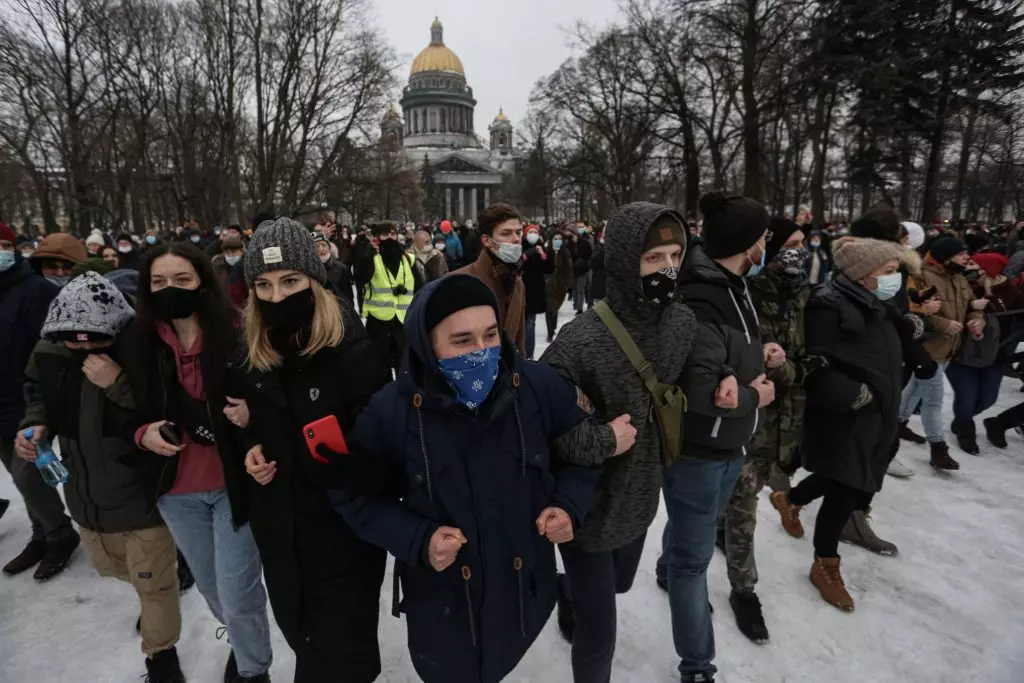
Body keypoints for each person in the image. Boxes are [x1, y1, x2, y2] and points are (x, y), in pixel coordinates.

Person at [333, 274, 615, 683]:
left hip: (523, 598)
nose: (482, 352)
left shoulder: (535, 387)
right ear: (428, 344)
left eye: (490, 335)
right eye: (462, 341)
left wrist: (568, 503)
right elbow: (353, 497)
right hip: (444, 613)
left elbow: (582, 452)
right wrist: (417, 539)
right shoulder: (391, 413)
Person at [541, 203, 694, 683]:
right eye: (654, 258)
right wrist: (604, 440)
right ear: (627, 260)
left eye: (675, 255)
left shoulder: (681, 324)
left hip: (640, 497)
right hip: (585, 508)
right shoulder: (579, 340)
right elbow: (539, 426)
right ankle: (578, 600)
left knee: (622, 584)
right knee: (598, 634)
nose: (667, 268)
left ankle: (569, 592)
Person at [239, 218, 391, 682]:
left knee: (341, 654)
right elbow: (252, 424)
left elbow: (385, 451)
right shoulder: (253, 350)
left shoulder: (355, 352)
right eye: (262, 285)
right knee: (302, 633)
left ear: (315, 281)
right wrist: (251, 450)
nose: (276, 296)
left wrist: (351, 464)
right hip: (281, 529)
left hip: (341, 528)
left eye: (290, 281)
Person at [17, 272, 186, 683]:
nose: (85, 347)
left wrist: (117, 384)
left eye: (95, 338)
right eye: (74, 340)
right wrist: (36, 426)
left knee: (154, 586)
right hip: (86, 497)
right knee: (115, 569)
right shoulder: (53, 354)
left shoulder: (141, 352)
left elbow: (164, 414)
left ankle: (162, 656)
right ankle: (168, 579)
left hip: (140, 497)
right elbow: (37, 394)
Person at [124, 243, 273, 683]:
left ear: (202, 283)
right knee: (210, 586)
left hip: (232, 484)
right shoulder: (137, 340)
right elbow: (121, 410)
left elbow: (270, 392)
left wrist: (252, 414)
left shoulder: (235, 331)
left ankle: (253, 669)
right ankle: (245, 644)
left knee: (237, 589)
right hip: (177, 491)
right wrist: (142, 433)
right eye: (160, 282)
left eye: (182, 280)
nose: (171, 290)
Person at [660, 192, 774, 683]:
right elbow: (704, 392)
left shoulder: (735, 283)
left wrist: (758, 356)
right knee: (694, 561)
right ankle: (698, 666)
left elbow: (725, 355)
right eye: (764, 237)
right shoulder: (702, 296)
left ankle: (668, 566)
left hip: (729, 444)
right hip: (701, 451)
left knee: (693, 531)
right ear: (748, 244)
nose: (767, 244)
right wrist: (754, 395)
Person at [768, 237, 915, 611]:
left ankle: (791, 498)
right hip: (849, 413)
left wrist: (912, 328)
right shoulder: (827, 306)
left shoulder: (876, 303)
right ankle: (825, 564)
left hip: (877, 410)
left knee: (847, 476)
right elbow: (817, 363)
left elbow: (880, 346)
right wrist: (855, 395)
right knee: (846, 487)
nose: (895, 278)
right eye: (889, 271)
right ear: (863, 274)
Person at [717, 217, 821, 644]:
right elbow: (722, 358)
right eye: (788, 244)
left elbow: (818, 360)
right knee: (742, 509)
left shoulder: (807, 296)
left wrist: (789, 367)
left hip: (790, 423)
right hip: (749, 424)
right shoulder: (742, 295)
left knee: (734, 505)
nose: (799, 251)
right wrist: (759, 357)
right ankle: (744, 591)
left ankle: (716, 533)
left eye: (803, 243)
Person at [0, 223, 79, 580]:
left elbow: (48, 350)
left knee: (28, 471)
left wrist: (39, 400)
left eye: (4, 244)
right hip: (1, 402)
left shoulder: (35, 291)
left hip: (28, 399)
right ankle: (43, 533)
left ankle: (61, 534)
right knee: (19, 477)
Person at [901, 236, 985, 469]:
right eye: (960, 255)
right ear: (945, 257)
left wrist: (977, 322)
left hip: (950, 348)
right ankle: (938, 449)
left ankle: (896, 422)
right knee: (933, 400)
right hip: (928, 348)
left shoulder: (959, 278)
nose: (966, 258)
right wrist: (942, 324)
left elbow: (972, 307)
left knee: (916, 389)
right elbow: (912, 311)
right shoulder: (922, 276)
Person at [944, 253, 1024, 454]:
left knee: (988, 399)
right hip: (962, 353)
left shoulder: (1012, 293)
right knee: (967, 397)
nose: (968, 268)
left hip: (994, 355)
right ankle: (965, 430)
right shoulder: (964, 286)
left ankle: (962, 419)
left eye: (973, 264)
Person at [455, 203, 527, 354]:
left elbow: (519, 341)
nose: (515, 239)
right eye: (506, 233)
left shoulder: (518, 284)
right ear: (487, 241)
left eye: (518, 233)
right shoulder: (459, 282)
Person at [357, 221, 423, 375]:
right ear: (377, 238)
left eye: (393, 234)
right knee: (379, 371)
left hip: (403, 323)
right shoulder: (372, 258)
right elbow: (361, 278)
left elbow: (419, 288)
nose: (390, 238)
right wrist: (367, 256)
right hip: (379, 323)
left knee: (406, 370)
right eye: (385, 235)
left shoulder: (408, 259)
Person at [520, 225, 553, 359]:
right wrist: (525, 256)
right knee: (520, 324)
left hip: (535, 291)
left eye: (534, 232)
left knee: (530, 323)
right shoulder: (521, 246)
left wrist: (543, 255)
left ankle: (529, 354)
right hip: (522, 289)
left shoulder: (541, 248)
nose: (532, 234)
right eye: (530, 232)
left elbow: (549, 268)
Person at [545, 230, 574, 343]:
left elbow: (569, 268)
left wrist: (568, 283)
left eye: (559, 239)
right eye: (555, 239)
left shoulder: (565, 252)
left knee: (555, 308)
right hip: (549, 284)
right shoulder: (547, 251)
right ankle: (550, 332)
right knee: (549, 308)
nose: (557, 241)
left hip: (560, 286)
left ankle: (553, 326)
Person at [313, 232, 354, 303]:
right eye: (317, 246)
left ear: (329, 247)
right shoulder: (309, 270)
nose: (321, 249)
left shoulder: (341, 268)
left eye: (323, 245)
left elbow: (348, 297)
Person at [212, 236, 250, 309]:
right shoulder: (218, 267)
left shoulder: (248, 266)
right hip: (224, 308)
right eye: (227, 253)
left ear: (241, 251)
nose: (230, 255)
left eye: (233, 252)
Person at [568, 225, 594, 315]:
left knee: (580, 289)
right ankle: (576, 304)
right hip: (572, 270)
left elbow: (589, 255)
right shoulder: (569, 244)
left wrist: (584, 264)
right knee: (574, 288)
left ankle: (580, 308)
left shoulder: (584, 243)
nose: (573, 237)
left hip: (581, 269)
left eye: (574, 235)